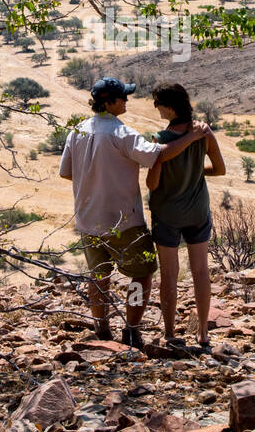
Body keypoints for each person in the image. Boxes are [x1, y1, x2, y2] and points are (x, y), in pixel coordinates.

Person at [59, 77, 209, 349]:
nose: (127, 101)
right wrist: (192, 136)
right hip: (123, 221)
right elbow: (158, 155)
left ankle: (102, 329)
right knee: (142, 274)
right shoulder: (122, 134)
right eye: (123, 98)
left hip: (87, 219)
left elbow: (66, 173)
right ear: (111, 102)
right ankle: (131, 330)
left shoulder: (76, 132)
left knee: (99, 276)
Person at [146, 83, 225, 355]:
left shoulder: (159, 138)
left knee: (169, 274)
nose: (156, 108)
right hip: (198, 211)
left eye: (157, 103)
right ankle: (203, 332)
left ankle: (169, 332)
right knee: (201, 271)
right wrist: (194, 173)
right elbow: (220, 169)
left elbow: (152, 184)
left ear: (169, 107)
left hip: (167, 213)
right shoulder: (203, 132)